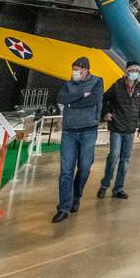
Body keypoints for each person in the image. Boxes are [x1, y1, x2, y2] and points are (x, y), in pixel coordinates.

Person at [53, 56, 103, 223]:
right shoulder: (68, 84)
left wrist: (72, 103)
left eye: (78, 70)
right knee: (66, 170)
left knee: (84, 167)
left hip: (88, 130)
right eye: (73, 69)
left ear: (86, 70)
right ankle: (63, 207)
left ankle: (76, 194)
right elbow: (61, 98)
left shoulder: (97, 82)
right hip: (69, 131)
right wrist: (81, 94)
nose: (74, 73)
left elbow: (93, 100)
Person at [98, 60, 140, 200]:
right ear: (127, 72)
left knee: (125, 159)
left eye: (137, 71)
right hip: (117, 127)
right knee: (114, 155)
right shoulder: (117, 86)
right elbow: (104, 99)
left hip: (130, 129)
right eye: (132, 70)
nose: (134, 73)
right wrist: (106, 113)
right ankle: (105, 184)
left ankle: (118, 188)